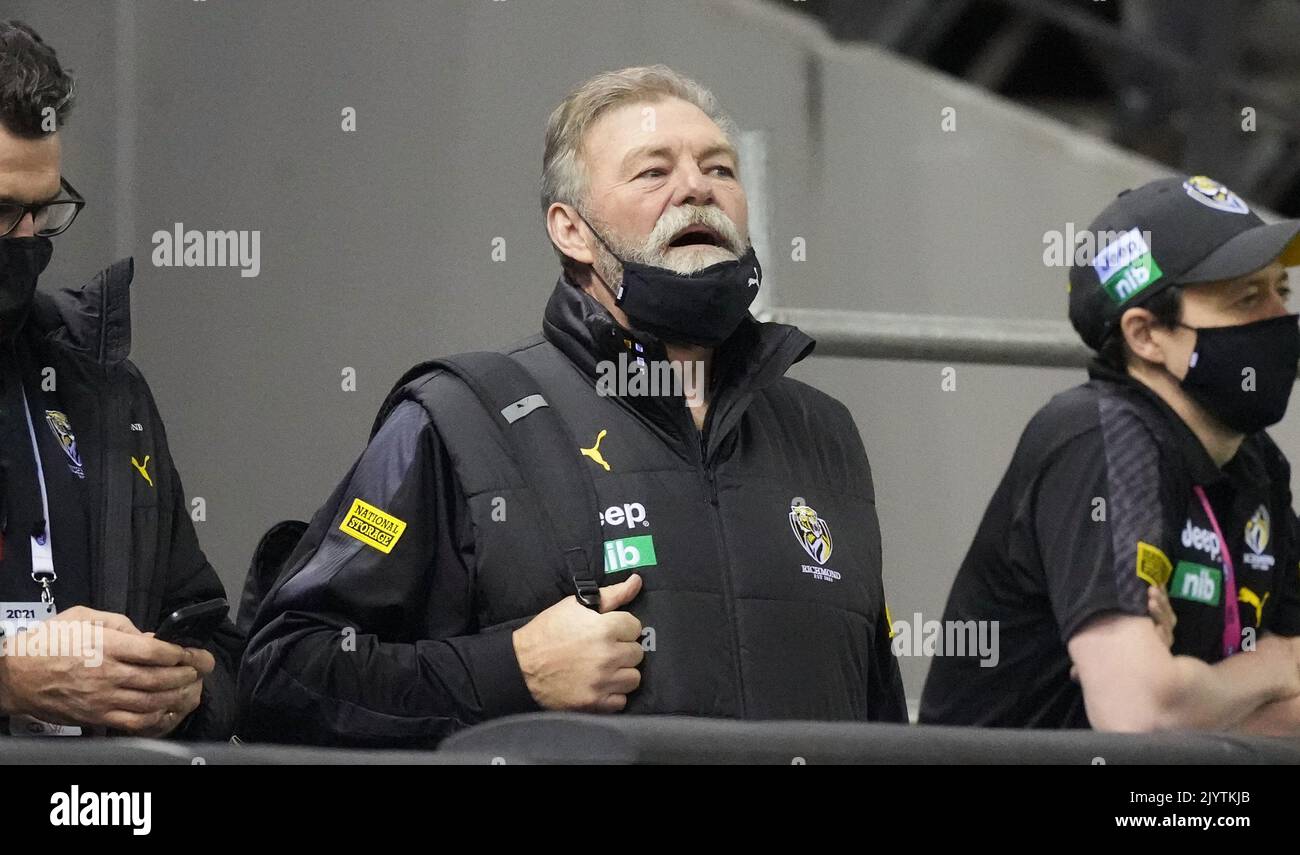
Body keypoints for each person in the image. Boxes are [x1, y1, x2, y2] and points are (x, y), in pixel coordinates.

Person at [239, 64, 906, 746]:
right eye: (653, 172)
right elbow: (285, 668)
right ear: (572, 230)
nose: (697, 188)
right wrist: (511, 670)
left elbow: (881, 720)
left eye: (720, 170)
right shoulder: (461, 419)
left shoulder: (824, 433)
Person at [920, 175, 1300, 733]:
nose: (1279, 317)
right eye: (1247, 298)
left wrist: (1196, 691)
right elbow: (1139, 713)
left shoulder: (1256, 461)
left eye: (1281, 292)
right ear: (1146, 335)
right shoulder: (1100, 439)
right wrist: (1271, 669)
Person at [0, 20, 240, 739]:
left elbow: (213, 641)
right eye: (3, 211)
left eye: (44, 212)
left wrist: (181, 687)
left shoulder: (105, 394)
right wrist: (10, 680)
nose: (27, 241)